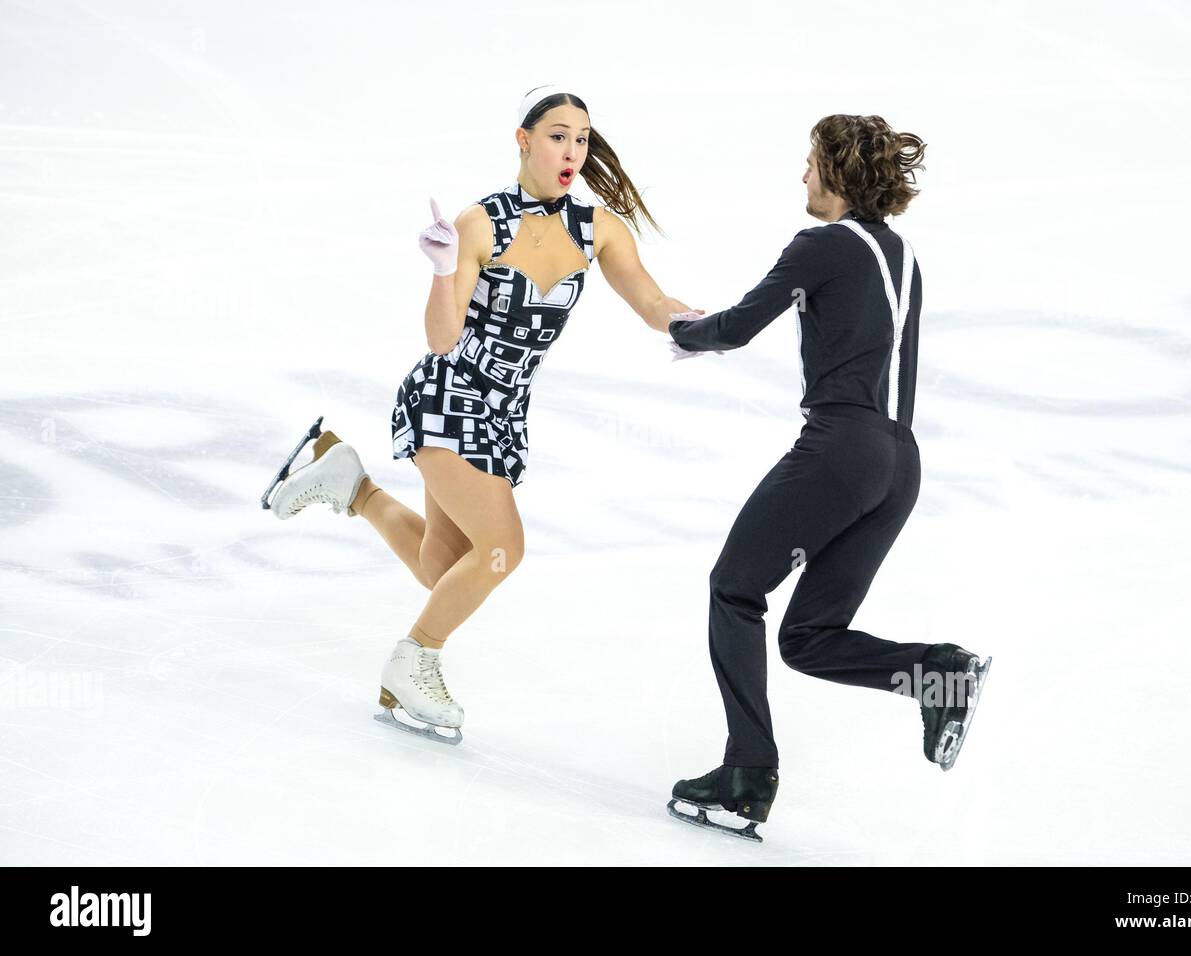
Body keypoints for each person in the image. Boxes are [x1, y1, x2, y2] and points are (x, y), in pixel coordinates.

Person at [263, 85, 699, 743]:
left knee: (448, 573)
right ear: (523, 141)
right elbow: (441, 340)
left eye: (581, 139)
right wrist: (443, 270)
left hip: (504, 414)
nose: (571, 151)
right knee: (502, 551)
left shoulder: (597, 228)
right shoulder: (479, 223)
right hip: (447, 396)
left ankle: (350, 482)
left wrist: (703, 326)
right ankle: (414, 662)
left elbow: (651, 300)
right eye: (557, 135)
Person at [664, 114, 992, 841]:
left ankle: (747, 774)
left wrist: (683, 328)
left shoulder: (823, 244)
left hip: (842, 446)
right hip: (899, 462)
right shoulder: (901, 255)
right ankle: (938, 672)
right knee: (808, 636)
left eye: (811, 163)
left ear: (838, 173)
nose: (803, 176)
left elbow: (743, 323)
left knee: (734, 587)